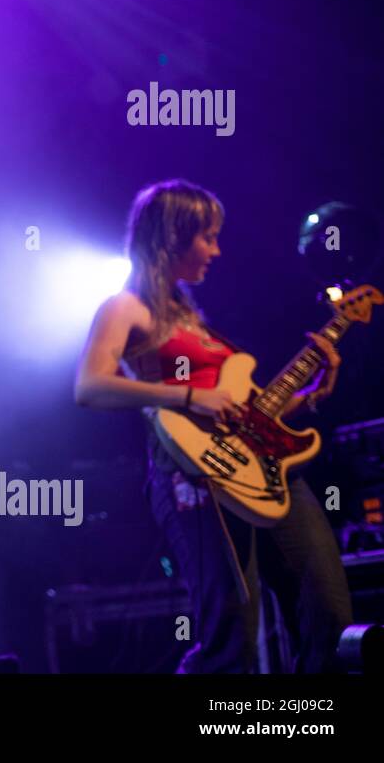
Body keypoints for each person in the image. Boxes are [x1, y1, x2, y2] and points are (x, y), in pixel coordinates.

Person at [74, 178, 353, 672]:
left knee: (327, 612)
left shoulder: (199, 324)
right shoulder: (125, 307)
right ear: (170, 235)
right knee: (233, 633)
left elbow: (248, 415)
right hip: (194, 476)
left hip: (267, 469)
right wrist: (187, 394)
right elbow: (91, 386)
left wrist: (311, 399)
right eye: (207, 237)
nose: (217, 250)